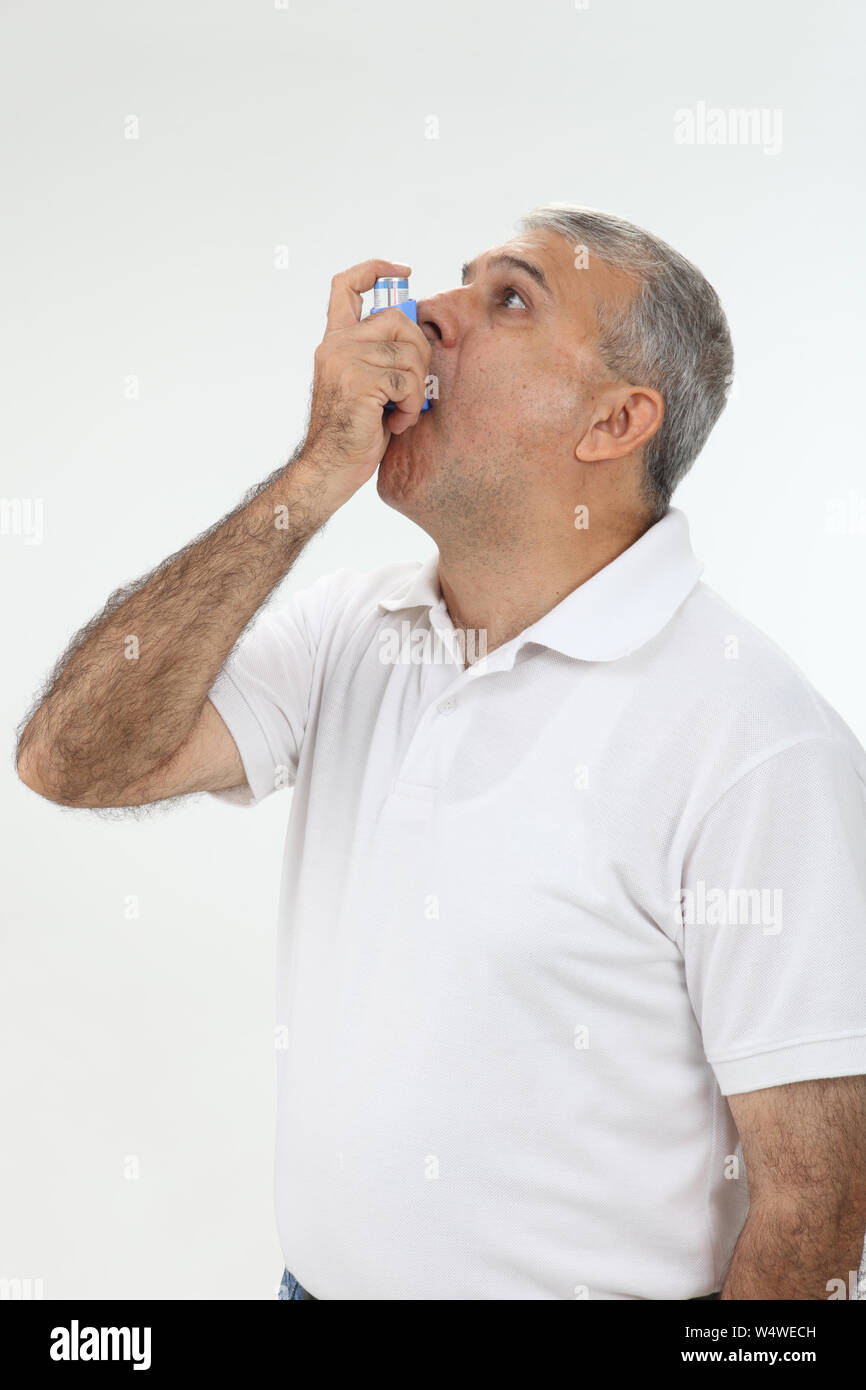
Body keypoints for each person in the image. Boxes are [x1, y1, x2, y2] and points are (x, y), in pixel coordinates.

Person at [16, 204, 866, 1301]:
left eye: (507, 297)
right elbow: (71, 760)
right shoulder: (350, 627)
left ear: (613, 421)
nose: (425, 312)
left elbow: (819, 1207)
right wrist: (311, 479)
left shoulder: (755, 741)